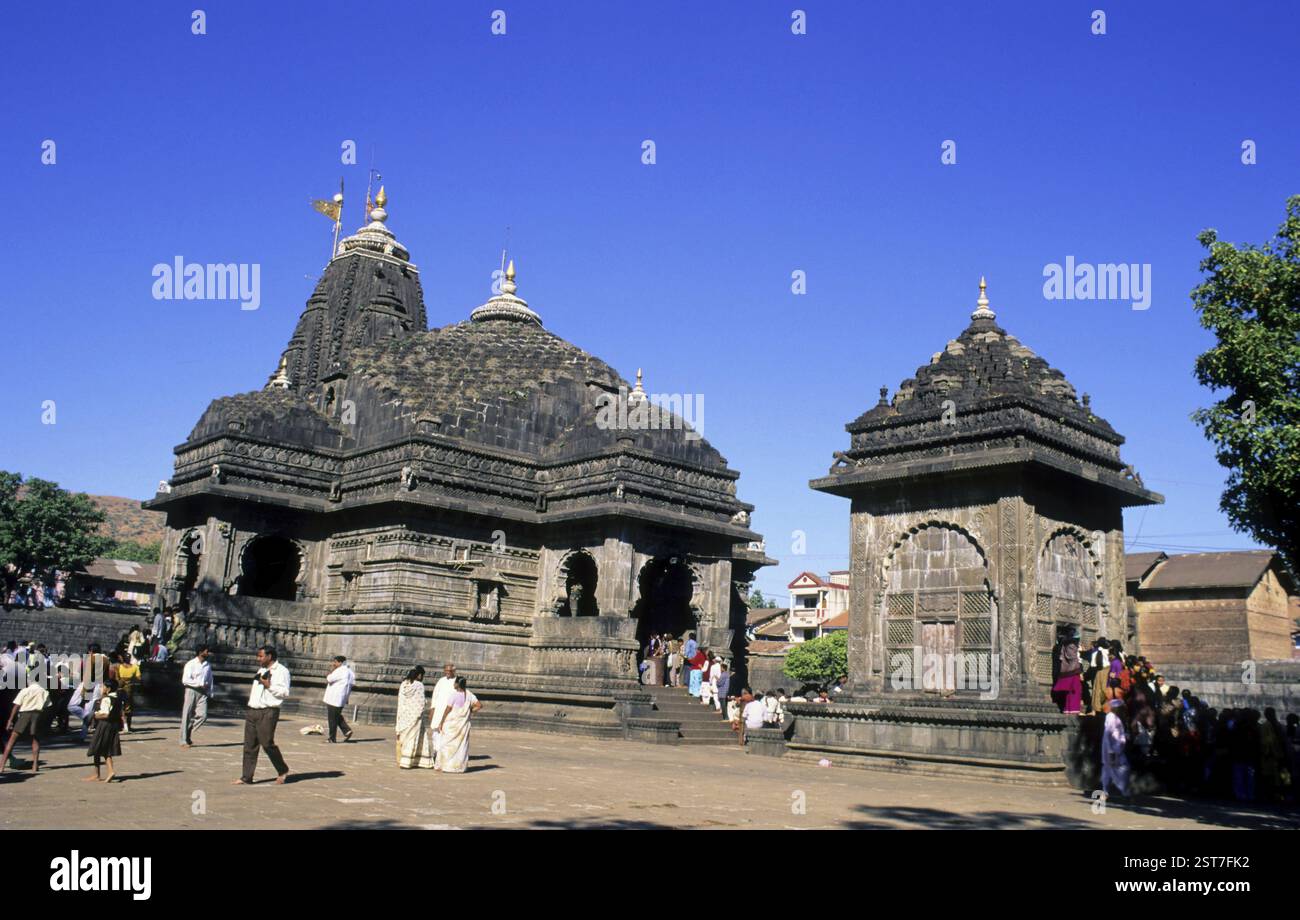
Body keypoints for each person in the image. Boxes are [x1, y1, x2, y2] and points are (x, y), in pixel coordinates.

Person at [233, 645, 290, 786]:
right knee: (249, 745)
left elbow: (284, 692)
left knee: (267, 743)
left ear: (269, 656)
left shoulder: (282, 671)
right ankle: (247, 776)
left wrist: (269, 686)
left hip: (268, 711)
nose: (258, 659)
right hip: (253, 710)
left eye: (261, 656)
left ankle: (282, 769)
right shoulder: (261, 670)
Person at [0, 674, 50, 774]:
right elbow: (47, 706)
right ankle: (35, 766)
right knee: (35, 741)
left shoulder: (25, 691)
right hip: (37, 715)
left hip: (25, 715)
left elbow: (16, 706)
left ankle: (2, 766)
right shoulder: (44, 692)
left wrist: (10, 720)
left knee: (12, 741)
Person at [434, 676, 482, 773]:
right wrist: (469, 711)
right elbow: (479, 705)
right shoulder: (469, 694)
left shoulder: (454, 695)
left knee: (446, 744)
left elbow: (448, 709)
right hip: (463, 725)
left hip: (451, 724)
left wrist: (441, 721)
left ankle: (446, 766)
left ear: (457, 684)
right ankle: (459, 767)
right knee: (461, 746)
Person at [85, 678, 125, 783]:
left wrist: (95, 715)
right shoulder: (117, 698)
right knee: (101, 750)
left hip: (104, 726)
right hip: (113, 726)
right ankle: (97, 774)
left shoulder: (106, 699)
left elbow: (105, 714)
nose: (101, 688)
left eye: (103, 686)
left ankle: (108, 772)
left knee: (101, 749)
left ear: (108, 689)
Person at [395, 666, 434, 769]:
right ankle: (409, 762)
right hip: (415, 717)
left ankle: (404, 760)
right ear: (419, 675)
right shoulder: (419, 685)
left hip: (404, 716)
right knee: (413, 738)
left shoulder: (403, 684)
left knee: (405, 738)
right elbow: (420, 702)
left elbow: (401, 700)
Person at [180, 644, 213, 746]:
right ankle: (183, 740)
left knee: (203, 715)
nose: (208, 653)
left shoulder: (207, 665)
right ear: (200, 652)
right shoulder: (191, 664)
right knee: (187, 714)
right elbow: (185, 680)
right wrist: (198, 684)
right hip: (192, 690)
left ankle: (188, 732)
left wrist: (210, 692)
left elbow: (210, 679)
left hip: (203, 692)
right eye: (206, 651)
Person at [1101, 698, 1130, 798]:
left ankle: (1107, 791)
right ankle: (1122, 790)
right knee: (1123, 768)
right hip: (1113, 749)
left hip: (1116, 747)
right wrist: (1110, 750)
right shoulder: (1111, 718)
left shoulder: (1116, 717)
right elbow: (1107, 734)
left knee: (1108, 769)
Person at [429, 663, 458, 765]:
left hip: (450, 712)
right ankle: (436, 752)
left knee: (447, 732)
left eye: (449, 671)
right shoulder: (441, 681)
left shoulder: (457, 681)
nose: (447, 673)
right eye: (446, 671)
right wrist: (432, 710)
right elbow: (435, 696)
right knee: (436, 731)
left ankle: (444, 754)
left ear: (454, 671)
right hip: (438, 711)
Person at [323, 655, 355, 743]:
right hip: (342, 697)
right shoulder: (350, 672)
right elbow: (352, 684)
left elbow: (329, 678)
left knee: (332, 718)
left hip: (334, 698)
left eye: (335, 662)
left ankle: (332, 738)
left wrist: (331, 671)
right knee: (337, 715)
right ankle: (346, 730)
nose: (334, 663)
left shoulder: (340, 671)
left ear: (340, 662)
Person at [1052, 634, 1083, 715]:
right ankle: (1073, 710)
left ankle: (1068, 709)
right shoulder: (1071, 646)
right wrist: (1079, 669)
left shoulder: (1064, 647)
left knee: (1069, 692)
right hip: (1072, 671)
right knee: (1075, 691)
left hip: (1067, 671)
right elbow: (1072, 658)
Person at [115, 653, 141, 733]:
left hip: (119, 687)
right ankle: (127, 726)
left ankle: (120, 725)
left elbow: (116, 678)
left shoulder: (118, 667)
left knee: (118, 706)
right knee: (128, 707)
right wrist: (131, 680)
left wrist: (121, 681)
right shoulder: (135, 667)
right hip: (129, 688)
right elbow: (139, 678)